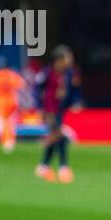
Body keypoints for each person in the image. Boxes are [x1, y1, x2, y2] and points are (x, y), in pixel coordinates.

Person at [34, 46, 80, 183]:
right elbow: (37, 88)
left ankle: (43, 166)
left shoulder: (70, 73)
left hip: (60, 109)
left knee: (55, 138)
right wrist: (38, 106)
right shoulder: (48, 72)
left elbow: (74, 90)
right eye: (67, 57)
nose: (70, 60)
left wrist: (75, 101)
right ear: (59, 59)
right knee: (59, 136)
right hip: (49, 110)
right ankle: (63, 167)